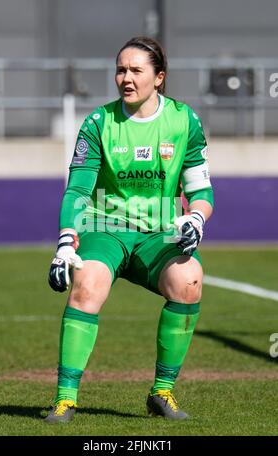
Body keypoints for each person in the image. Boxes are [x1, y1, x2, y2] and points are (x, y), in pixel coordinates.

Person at [45, 36, 214, 423]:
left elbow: (202, 191)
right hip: (105, 228)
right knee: (87, 284)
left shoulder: (183, 120)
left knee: (189, 280)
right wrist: (66, 242)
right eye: (121, 69)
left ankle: (162, 392)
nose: (126, 77)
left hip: (158, 232)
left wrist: (196, 218)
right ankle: (65, 399)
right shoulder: (98, 123)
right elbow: (78, 190)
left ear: (159, 77)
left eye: (137, 70)